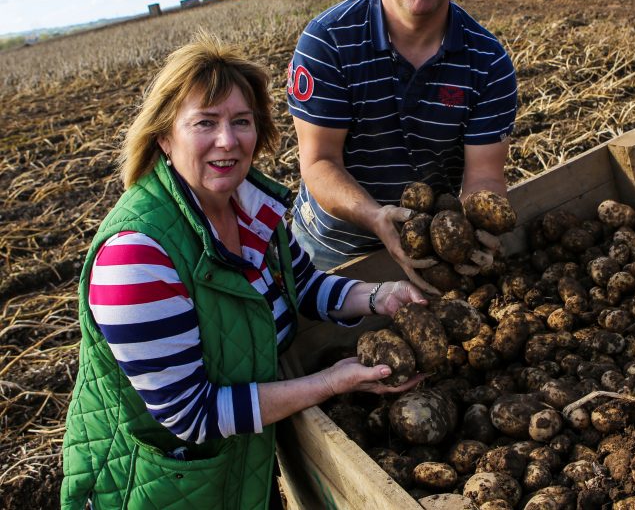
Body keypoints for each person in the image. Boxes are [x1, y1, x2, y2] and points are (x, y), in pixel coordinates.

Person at [61, 34, 427, 510]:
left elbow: (305, 286)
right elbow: (194, 414)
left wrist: (381, 296)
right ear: (164, 137)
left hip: (239, 469)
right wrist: (332, 382)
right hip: (157, 486)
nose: (227, 140)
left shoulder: (253, 210)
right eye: (205, 123)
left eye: (241, 121)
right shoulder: (136, 257)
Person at [287, 0, 518, 287]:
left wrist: (467, 234)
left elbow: (484, 175)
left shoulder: (488, 61)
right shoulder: (328, 43)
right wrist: (377, 217)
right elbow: (320, 163)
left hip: (424, 248)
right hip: (332, 252)